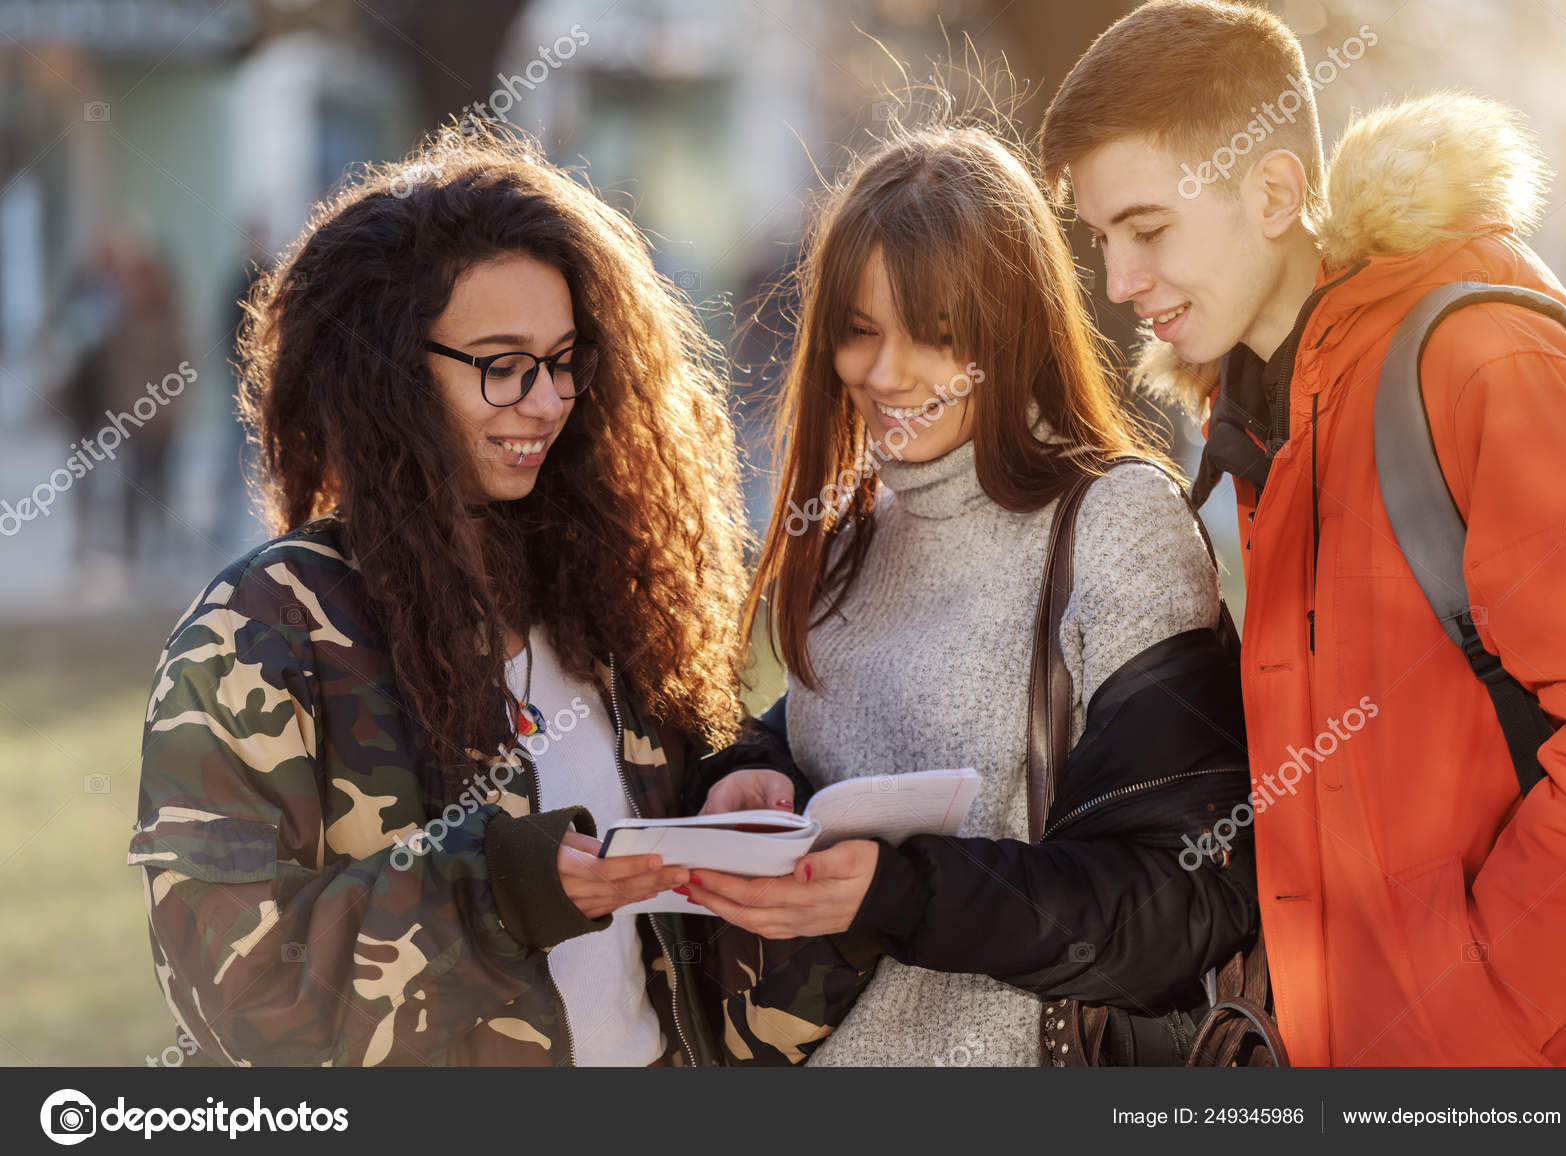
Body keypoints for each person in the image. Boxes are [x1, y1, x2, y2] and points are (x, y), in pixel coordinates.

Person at [128, 127, 858, 1066]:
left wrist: (740, 795)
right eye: (502, 363)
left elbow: (677, 953)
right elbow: (231, 987)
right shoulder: (261, 630)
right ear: (383, 372)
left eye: (564, 361)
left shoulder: (612, 600)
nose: (549, 400)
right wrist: (498, 891)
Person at [1041, 0, 1566, 1065]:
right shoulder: (1267, 421)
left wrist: (1470, 1012)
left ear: (1274, 190)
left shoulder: (1475, 365)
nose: (1119, 285)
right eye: (1102, 239)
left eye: (1148, 229)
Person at [686, 119, 1257, 1066]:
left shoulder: (1116, 525)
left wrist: (904, 894)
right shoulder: (852, 532)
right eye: (858, 331)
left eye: (936, 336)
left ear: (1012, 329)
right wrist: (754, 773)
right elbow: (836, 734)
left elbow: (1183, 903)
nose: (884, 372)